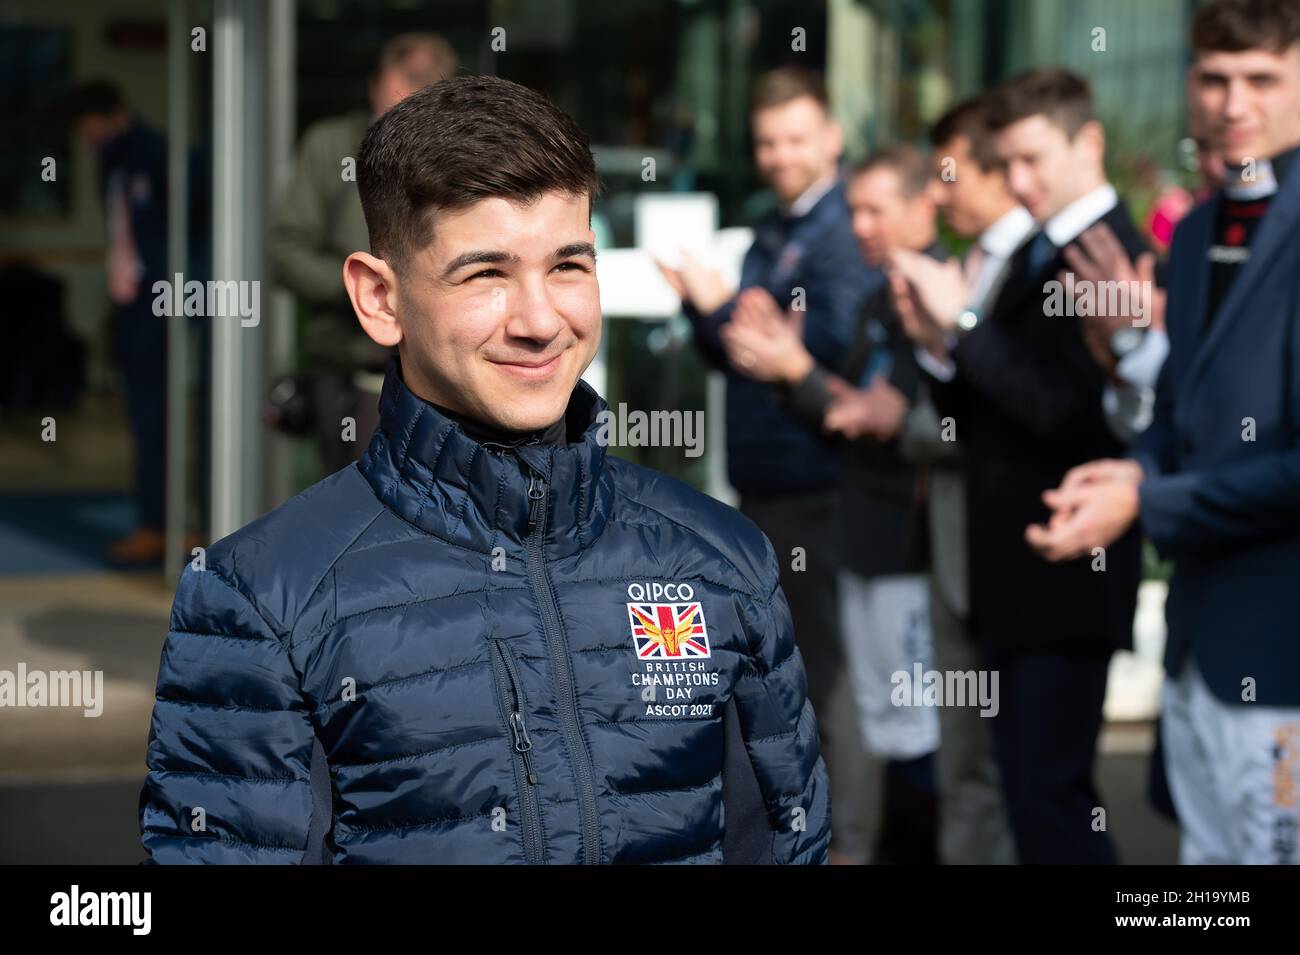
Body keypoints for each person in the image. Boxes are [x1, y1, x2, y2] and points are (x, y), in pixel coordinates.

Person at [138, 75, 830, 865]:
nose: (540, 320)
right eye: (486, 274)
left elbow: (785, 844)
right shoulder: (261, 597)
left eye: (569, 266)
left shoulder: (723, 558)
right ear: (378, 298)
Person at [1031, 0, 1300, 865]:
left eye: (1262, 79)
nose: (1234, 103)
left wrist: (1146, 498)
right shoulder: (1189, 233)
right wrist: (1121, 475)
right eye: (1215, 78)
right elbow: (1184, 416)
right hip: (1196, 639)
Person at [896, 68, 1147, 864]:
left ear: (1090, 142)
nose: (1019, 181)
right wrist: (944, 345)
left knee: (1051, 800)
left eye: (1034, 159)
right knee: (1027, 792)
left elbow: (1062, 412)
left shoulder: (1108, 258)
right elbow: (987, 412)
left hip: (1070, 569)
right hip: (1016, 575)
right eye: (1007, 164)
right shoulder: (1042, 252)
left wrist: (962, 322)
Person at [658, 66, 879, 864]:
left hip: (819, 485)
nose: (780, 154)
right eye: (766, 141)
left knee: (821, 676)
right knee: (781, 669)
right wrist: (705, 308)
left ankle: (844, 843)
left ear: (832, 138)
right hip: (768, 483)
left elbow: (828, 356)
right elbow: (749, 353)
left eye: (795, 138)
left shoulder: (846, 230)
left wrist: (730, 316)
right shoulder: (770, 230)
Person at [717, 146, 944, 863]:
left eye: (877, 209)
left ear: (921, 206)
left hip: (914, 547)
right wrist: (797, 371)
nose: (862, 225)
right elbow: (849, 406)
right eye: (856, 210)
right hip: (866, 534)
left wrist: (802, 371)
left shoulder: (938, 292)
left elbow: (914, 418)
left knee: (916, 729)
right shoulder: (883, 293)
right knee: (881, 718)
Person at [890, 96, 1032, 865]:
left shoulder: (1040, 267)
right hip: (952, 554)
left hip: (1018, 558)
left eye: (949, 174)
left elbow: (1027, 415)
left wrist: (951, 343)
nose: (937, 193)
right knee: (964, 761)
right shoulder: (959, 268)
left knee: (1027, 772)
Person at [269, 32, 458, 477]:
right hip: (352, 368)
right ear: (378, 82)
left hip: (446, 372)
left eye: (433, 81)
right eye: (409, 77)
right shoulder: (333, 146)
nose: (416, 90)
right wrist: (369, 292)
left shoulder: (461, 155)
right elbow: (285, 250)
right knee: (354, 514)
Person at [60, 80, 203, 564]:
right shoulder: (113, 161)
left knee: (171, 414)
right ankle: (156, 520)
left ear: (113, 115)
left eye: (92, 127)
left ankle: (178, 523)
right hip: (135, 301)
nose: (88, 138)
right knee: (145, 413)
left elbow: (195, 227)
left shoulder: (159, 154)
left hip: (168, 299)